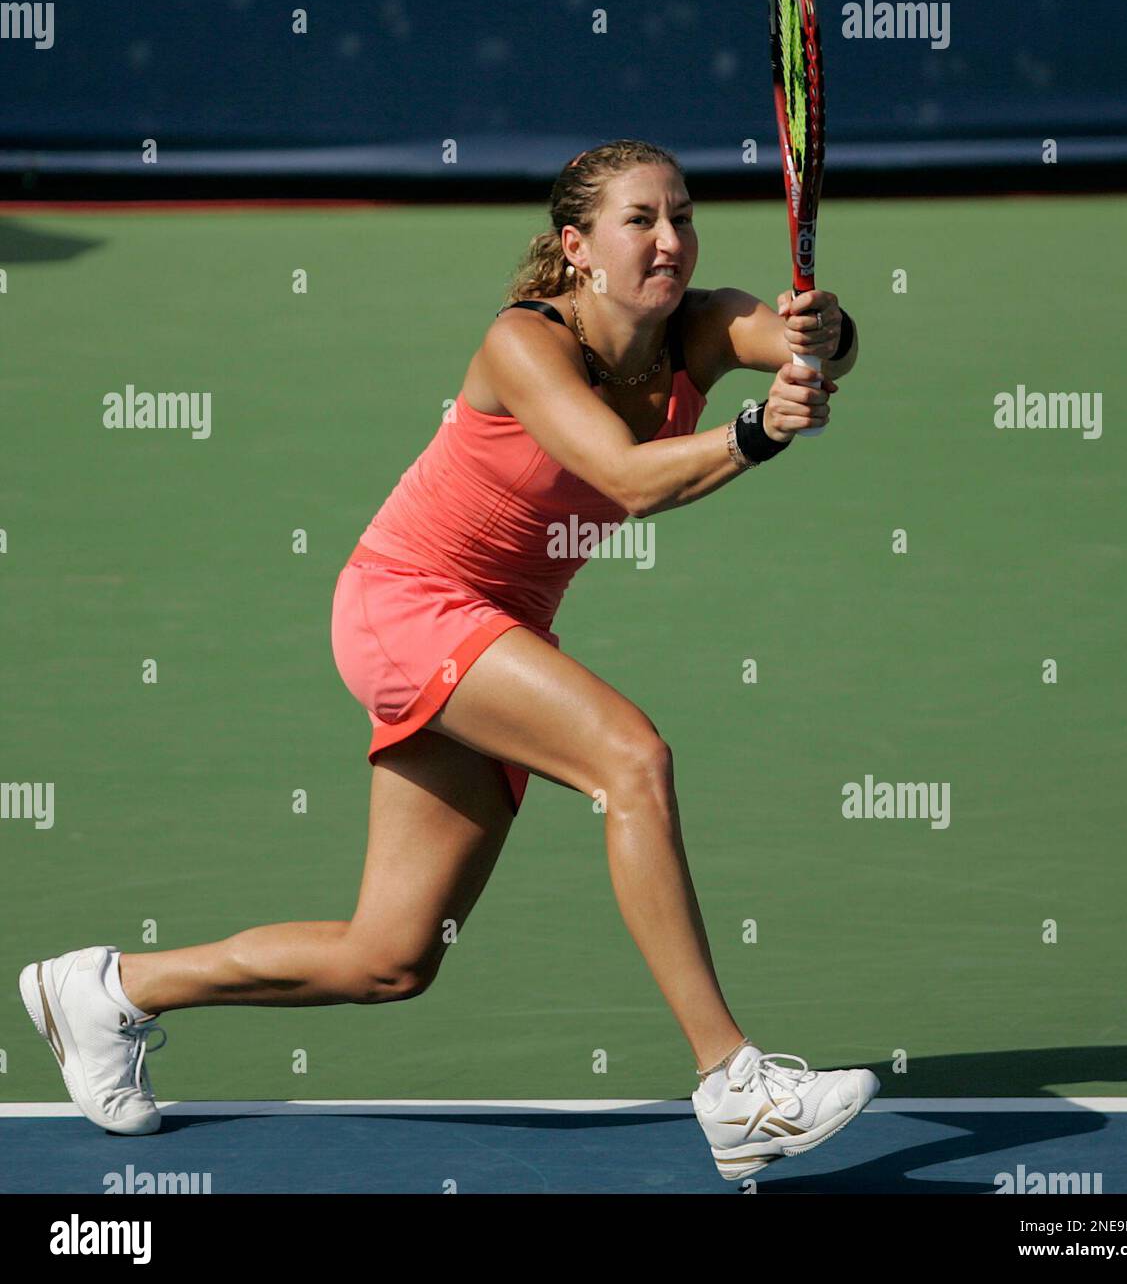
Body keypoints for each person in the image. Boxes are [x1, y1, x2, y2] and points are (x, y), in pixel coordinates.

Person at [20, 139, 876, 1182]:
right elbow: (626, 476)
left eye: (683, 215)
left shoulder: (699, 323)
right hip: (408, 604)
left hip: (500, 623)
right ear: (577, 247)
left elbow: (794, 338)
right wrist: (756, 431)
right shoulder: (525, 342)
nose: (670, 239)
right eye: (640, 220)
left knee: (391, 957)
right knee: (630, 759)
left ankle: (107, 990)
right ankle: (733, 1084)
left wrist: (826, 335)